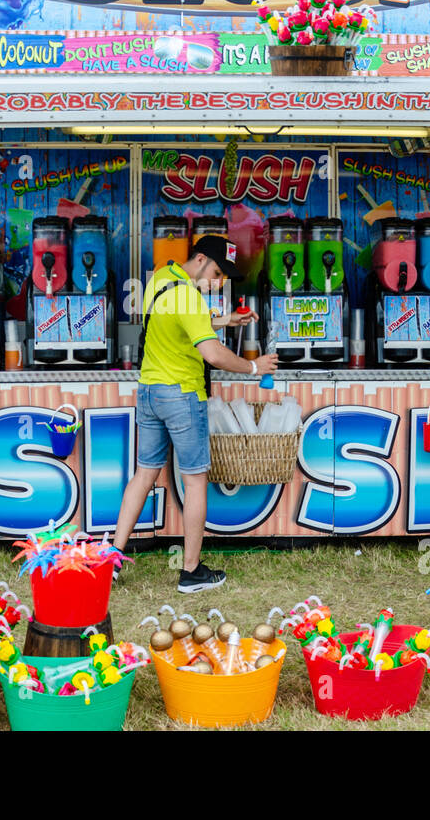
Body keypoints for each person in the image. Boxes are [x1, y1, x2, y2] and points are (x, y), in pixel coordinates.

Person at [112, 235, 279, 593]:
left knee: (144, 474)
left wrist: (226, 319)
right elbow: (214, 355)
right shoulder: (189, 297)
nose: (218, 283)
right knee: (195, 482)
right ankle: (190, 572)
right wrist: (255, 367)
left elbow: (181, 322)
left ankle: (112, 558)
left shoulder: (161, 278)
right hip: (182, 396)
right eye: (217, 274)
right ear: (200, 259)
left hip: (149, 392)